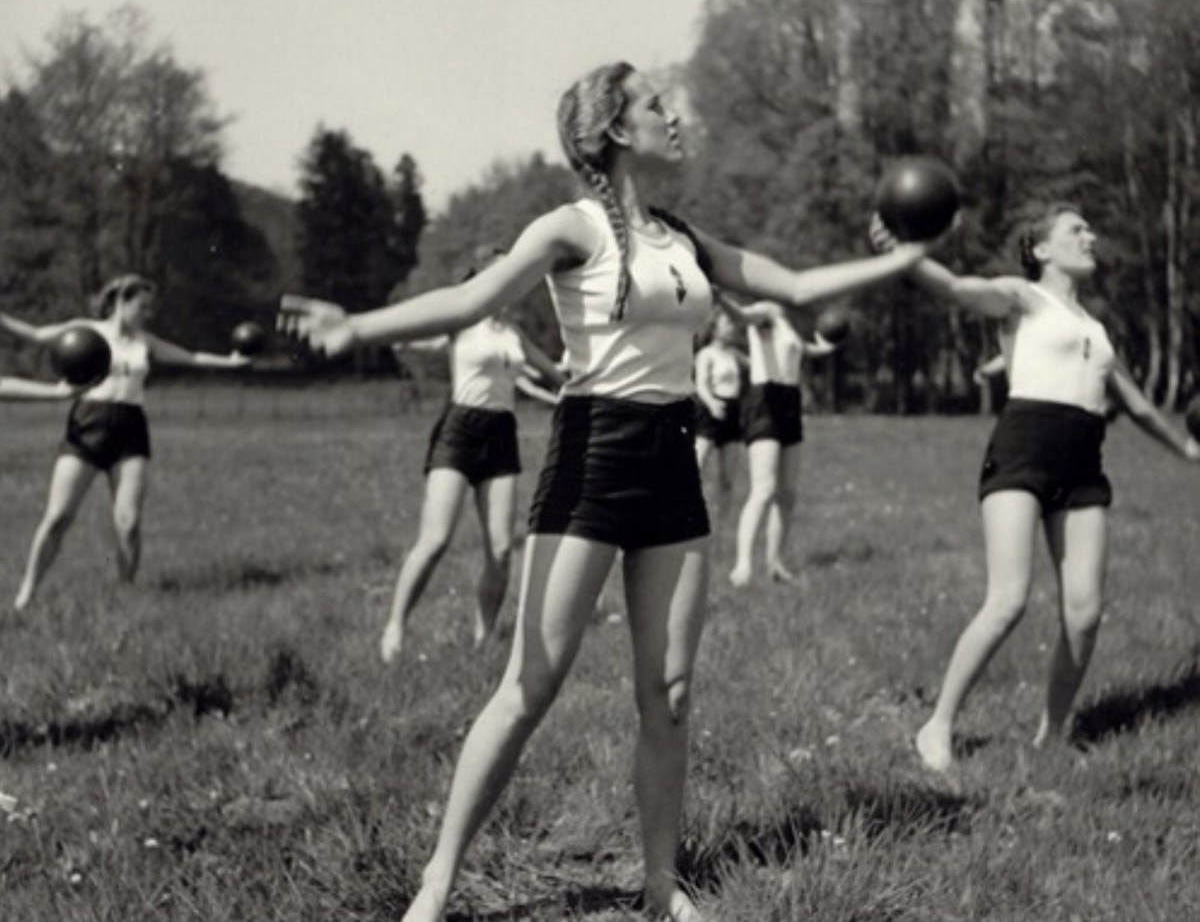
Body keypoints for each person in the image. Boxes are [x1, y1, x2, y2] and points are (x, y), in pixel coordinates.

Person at [280, 62, 926, 922]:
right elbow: (474, 298)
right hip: (592, 454)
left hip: (672, 453)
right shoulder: (571, 228)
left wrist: (909, 260)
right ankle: (437, 879)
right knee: (531, 686)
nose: (674, 113)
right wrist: (355, 325)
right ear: (618, 129)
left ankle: (661, 885)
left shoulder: (686, 240)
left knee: (670, 692)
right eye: (657, 103)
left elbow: (799, 289)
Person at [871, 205, 1200, 773]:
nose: (1090, 236)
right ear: (1042, 250)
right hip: (1023, 450)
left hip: (1084, 464)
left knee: (1085, 611)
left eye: (1090, 228)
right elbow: (955, 288)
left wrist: (1189, 450)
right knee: (1008, 600)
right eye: (1077, 230)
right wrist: (904, 255)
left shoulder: (1096, 331)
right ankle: (938, 724)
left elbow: (1139, 405)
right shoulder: (1021, 298)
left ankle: (1052, 735)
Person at [1, 274, 251, 610]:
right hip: (88, 422)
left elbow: (190, 357)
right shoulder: (86, 330)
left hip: (130, 428)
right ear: (122, 301)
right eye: (142, 306)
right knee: (59, 516)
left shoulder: (144, 342)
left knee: (128, 522)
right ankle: (27, 593)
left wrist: (231, 362)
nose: (148, 313)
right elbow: (34, 335)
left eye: (151, 307)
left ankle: (126, 594)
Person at [380, 248, 565, 665]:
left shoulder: (514, 334)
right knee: (435, 540)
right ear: (482, 278)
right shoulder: (460, 323)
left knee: (500, 550)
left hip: (501, 434)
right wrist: (393, 332)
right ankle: (395, 626)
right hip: (458, 432)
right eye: (499, 272)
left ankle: (484, 639)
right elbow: (411, 333)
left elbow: (556, 374)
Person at [719, 297, 839, 586]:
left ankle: (775, 563)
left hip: (790, 402)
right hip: (765, 401)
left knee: (787, 493)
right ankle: (743, 565)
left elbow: (803, 350)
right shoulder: (766, 312)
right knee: (764, 489)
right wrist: (721, 297)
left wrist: (831, 344)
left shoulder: (789, 323)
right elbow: (741, 316)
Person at [692, 307, 748, 518]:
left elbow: (757, 364)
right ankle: (688, 517)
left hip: (732, 411)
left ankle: (720, 524)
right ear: (715, 328)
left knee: (728, 477)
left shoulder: (734, 354)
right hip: (709, 411)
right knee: (695, 469)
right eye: (728, 323)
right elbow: (701, 384)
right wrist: (712, 404)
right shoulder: (706, 354)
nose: (732, 328)